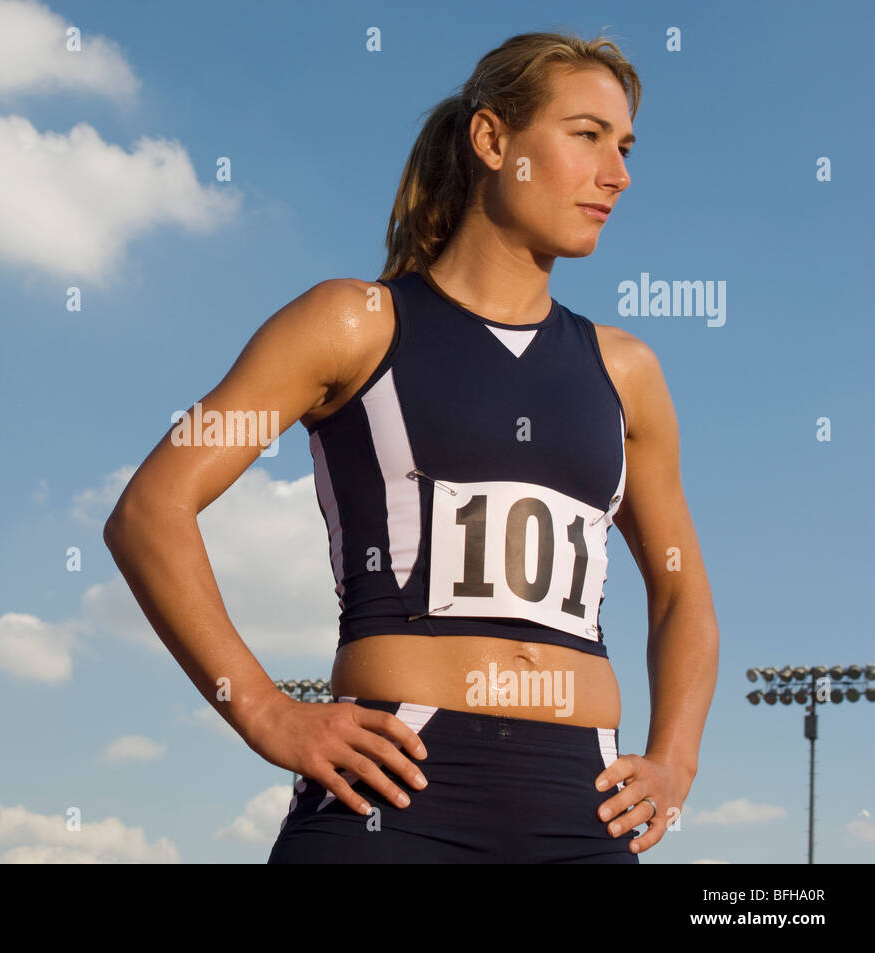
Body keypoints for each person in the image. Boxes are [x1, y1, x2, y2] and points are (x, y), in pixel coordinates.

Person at [103, 30, 717, 863]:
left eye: (625, 145)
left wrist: (675, 761)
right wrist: (264, 708)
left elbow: (681, 592)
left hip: (582, 811)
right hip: (392, 802)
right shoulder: (353, 322)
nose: (618, 173)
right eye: (586, 135)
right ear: (494, 141)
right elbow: (151, 508)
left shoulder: (627, 371)